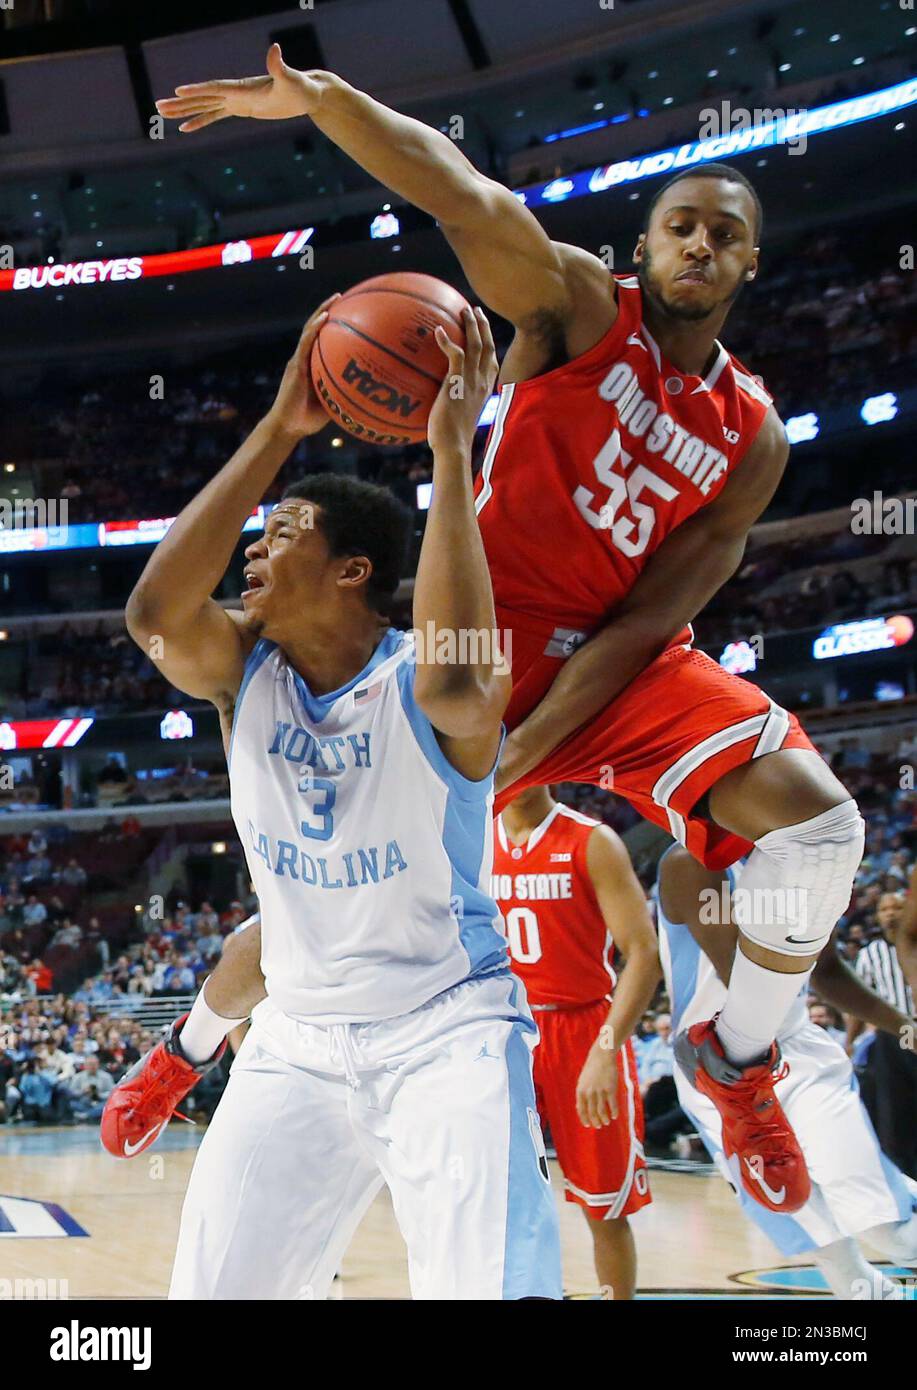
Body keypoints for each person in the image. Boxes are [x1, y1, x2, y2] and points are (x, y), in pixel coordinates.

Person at [155, 48, 866, 1215]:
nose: (697, 245)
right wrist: (327, 98)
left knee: (819, 832)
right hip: (472, 637)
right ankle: (185, 1045)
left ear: (748, 260)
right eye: (678, 225)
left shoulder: (754, 439)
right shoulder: (578, 307)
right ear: (643, 247)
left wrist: (537, 750)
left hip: (620, 660)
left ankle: (733, 1057)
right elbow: (457, 192)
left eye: (721, 235)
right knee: (327, 907)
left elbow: (652, 617)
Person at [102, 304, 561, 1300]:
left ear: (354, 571)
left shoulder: (432, 689)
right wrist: (278, 429)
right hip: (298, 1042)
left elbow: (460, 669)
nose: (255, 553)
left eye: (285, 533)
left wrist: (450, 448)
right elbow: (153, 616)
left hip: (444, 1029)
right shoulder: (243, 675)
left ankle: (185, 1048)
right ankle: (184, 1051)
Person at [656, 845, 917, 1299]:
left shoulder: (809, 855)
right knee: (836, 1259)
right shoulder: (693, 861)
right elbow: (744, 982)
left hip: (794, 1054)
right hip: (721, 1075)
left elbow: (828, 971)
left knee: (888, 1228)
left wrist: (906, 1027)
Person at [494, 786, 658, 1299]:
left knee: (604, 1204)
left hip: (584, 1030)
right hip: (504, 1031)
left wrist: (606, 1051)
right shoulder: (472, 837)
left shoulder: (592, 841)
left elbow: (643, 952)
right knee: (498, 1200)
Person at [849, 884, 917, 1178]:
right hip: (892, 1038)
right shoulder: (870, 954)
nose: (890, 914)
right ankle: (904, 1181)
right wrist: (850, 1041)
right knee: (895, 1113)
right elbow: (858, 1003)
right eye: (885, 909)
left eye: (897, 908)